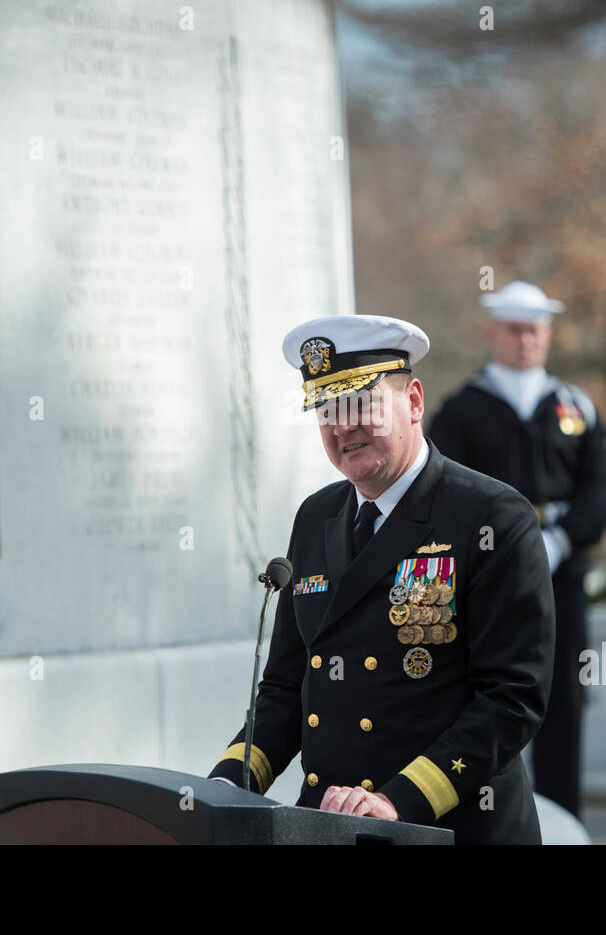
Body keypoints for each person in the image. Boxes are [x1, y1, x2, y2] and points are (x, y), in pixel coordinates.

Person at [208, 314, 555, 844]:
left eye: (360, 404)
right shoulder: (316, 517)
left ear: (414, 401)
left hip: (448, 825)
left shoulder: (491, 516)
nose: (342, 427)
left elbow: (512, 698)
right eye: (326, 410)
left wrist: (398, 800)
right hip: (331, 824)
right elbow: (285, 686)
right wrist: (228, 784)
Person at [427, 282, 606, 820]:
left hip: (562, 574)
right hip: (488, 572)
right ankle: (489, 816)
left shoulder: (574, 406)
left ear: (548, 335)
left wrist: (561, 541)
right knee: (484, 693)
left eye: (535, 330)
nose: (525, 340)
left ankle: (564, 818)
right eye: (514, 330)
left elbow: (599, 487)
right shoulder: (463, 410)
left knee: (563, 699)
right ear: (493, 334)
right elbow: (448, 489)